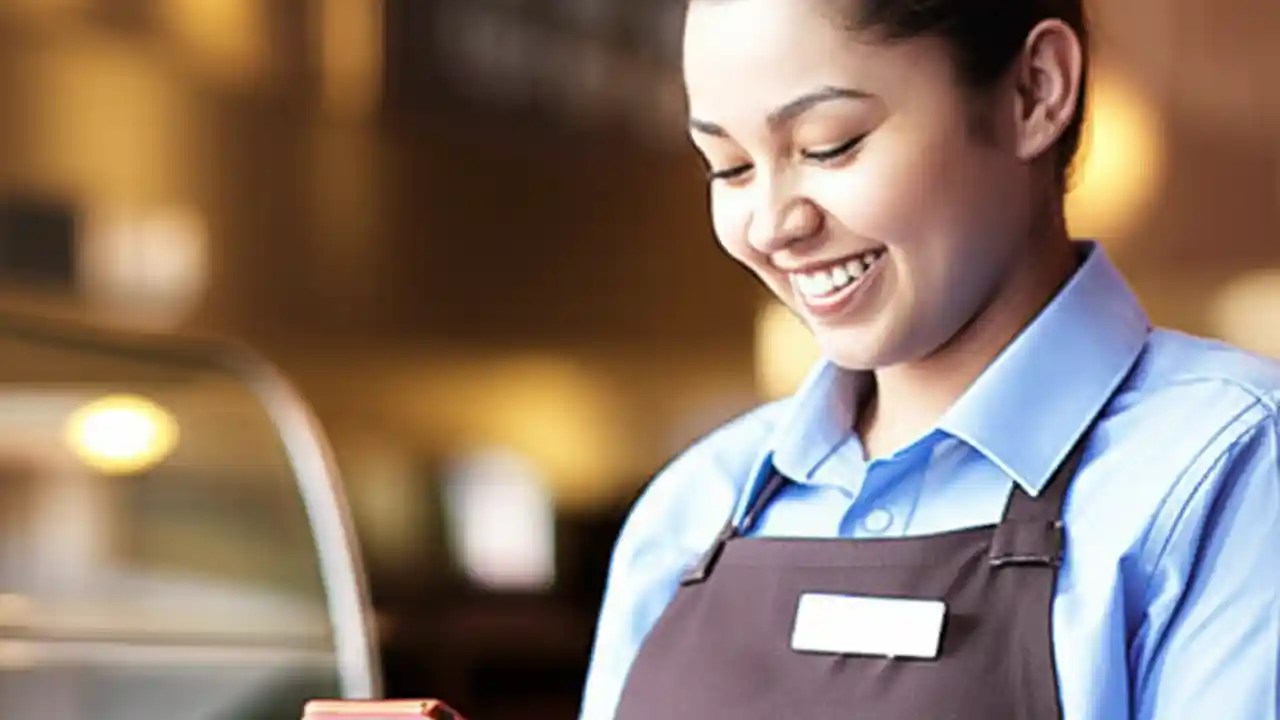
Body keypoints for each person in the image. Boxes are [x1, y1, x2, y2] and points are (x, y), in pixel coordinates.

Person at [579, 0, 1280, 718]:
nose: (771, 225)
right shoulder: (690, 509)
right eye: (728, 168)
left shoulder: (1233, 463)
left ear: (1033, 90)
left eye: (830, 144)